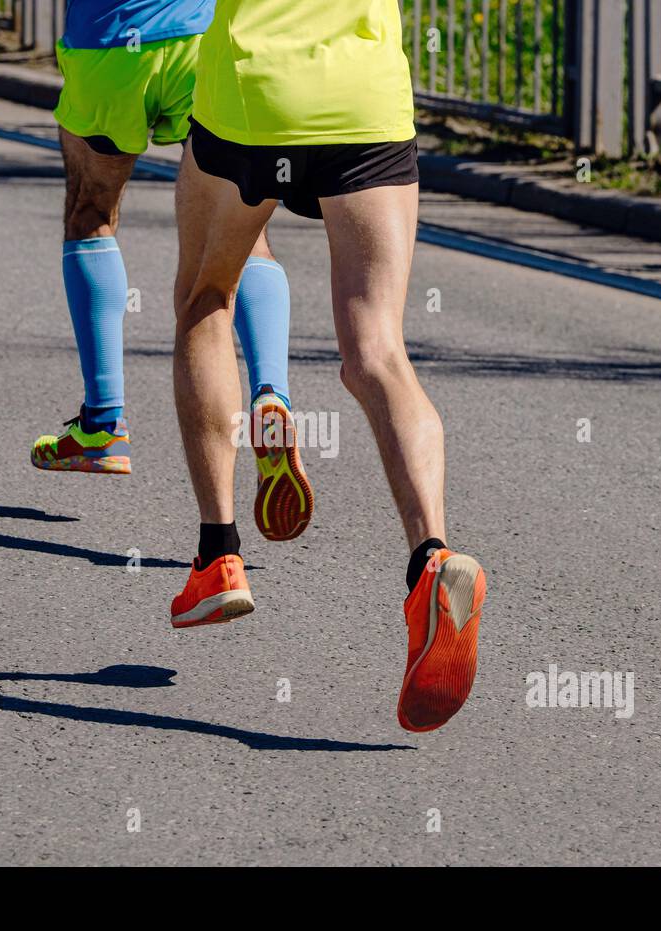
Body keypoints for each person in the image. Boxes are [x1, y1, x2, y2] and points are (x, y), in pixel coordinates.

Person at [167, 0, 486, 732]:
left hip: (253, 97)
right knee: (377, 351)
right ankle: (431, 557)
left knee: (206, 297)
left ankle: (218, 556)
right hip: (363, 100)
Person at [30, 0, 313, 544]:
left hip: (107, 44)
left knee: (90, 214)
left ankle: (103, 423)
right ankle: (270, 394)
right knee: (244, 232)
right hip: (202, 44)